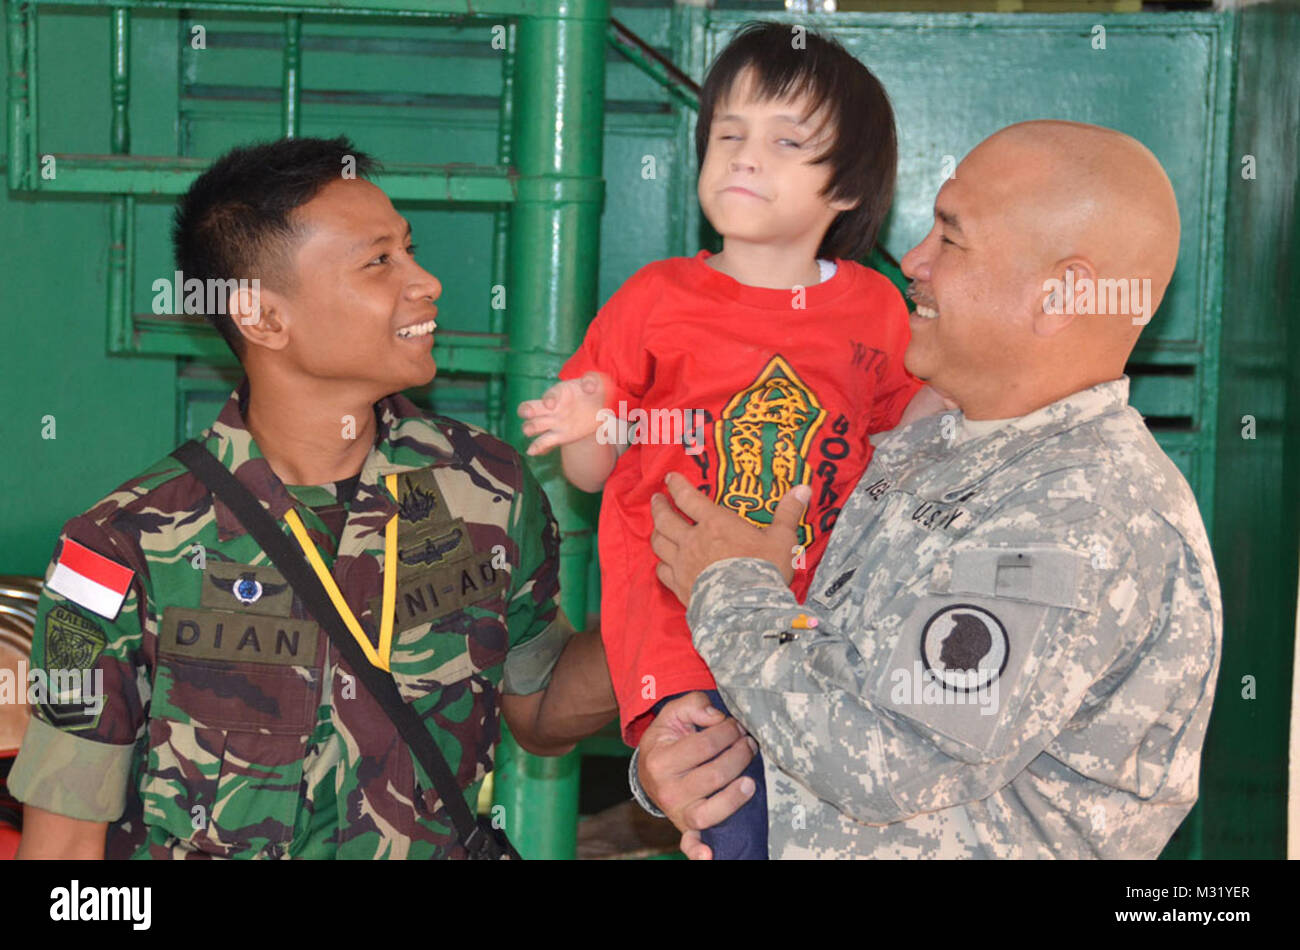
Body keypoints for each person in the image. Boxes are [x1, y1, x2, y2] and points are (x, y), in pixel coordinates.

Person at [10, 136, 616, 859]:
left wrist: (679, 605)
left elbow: (542, 706)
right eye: (379, 261)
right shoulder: (118, 549)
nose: (426, 282)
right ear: (263, 317)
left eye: (410, 250)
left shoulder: (488, 490)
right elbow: (67, 844)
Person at [637, 120, 1223, 859]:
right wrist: (697, 769)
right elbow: (828, 679)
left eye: (951, 237)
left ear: (1064, 293)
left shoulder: (1083, 510)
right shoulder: (938, 442)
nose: (913, 260)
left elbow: (883, 753)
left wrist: (729, 586)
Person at [517, 22, 942, 859]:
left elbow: (915, 435)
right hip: (677, 633)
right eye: (729, 136)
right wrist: (589, 420)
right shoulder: (655, 298)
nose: (747, 158)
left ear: (848, 190)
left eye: (787, 142)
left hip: (818, 637)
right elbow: (593, 474)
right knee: (731, 817)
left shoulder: (875, 308)